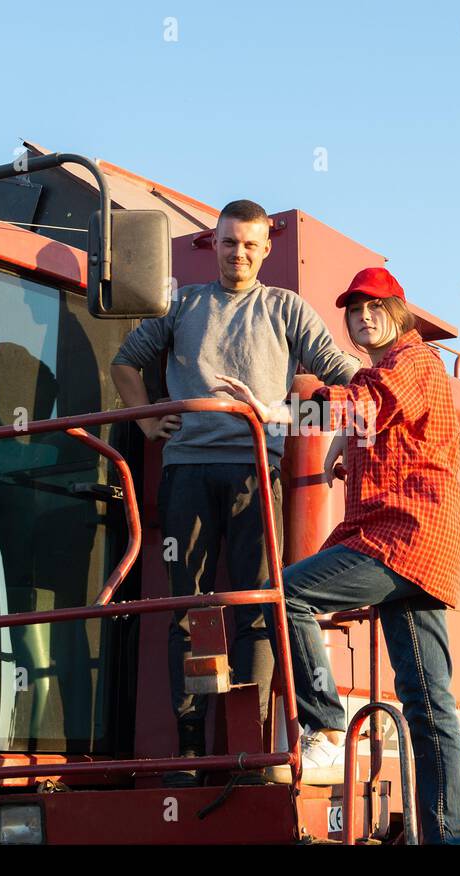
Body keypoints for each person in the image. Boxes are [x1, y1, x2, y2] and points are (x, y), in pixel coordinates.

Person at [214, 267, 460, 844]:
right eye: (354, 311)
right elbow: (380, 426)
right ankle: (450, 836)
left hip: (400, 538)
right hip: (418, 551)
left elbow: (365, 405)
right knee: (431, 708)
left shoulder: (412, 362)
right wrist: (329, 452)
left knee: (288, 592)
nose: (362, 318)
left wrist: (280, 411)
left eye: (374, 307)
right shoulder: (390, 373)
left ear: (399, 312)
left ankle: (328, 731)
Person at [110, 200, 359, 785]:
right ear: (213, 244)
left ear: (266, 249)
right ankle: (192, 752)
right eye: (227, 243)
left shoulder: (285, 309)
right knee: (187, 611)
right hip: (188, 473)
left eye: (249, 245)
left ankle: (248, 754)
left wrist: (347, 430)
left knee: (254, 607)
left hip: (255, 474)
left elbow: (345, 374)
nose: (238, 254)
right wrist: (146, 420)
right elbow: (126, 364)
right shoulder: (182, 303)